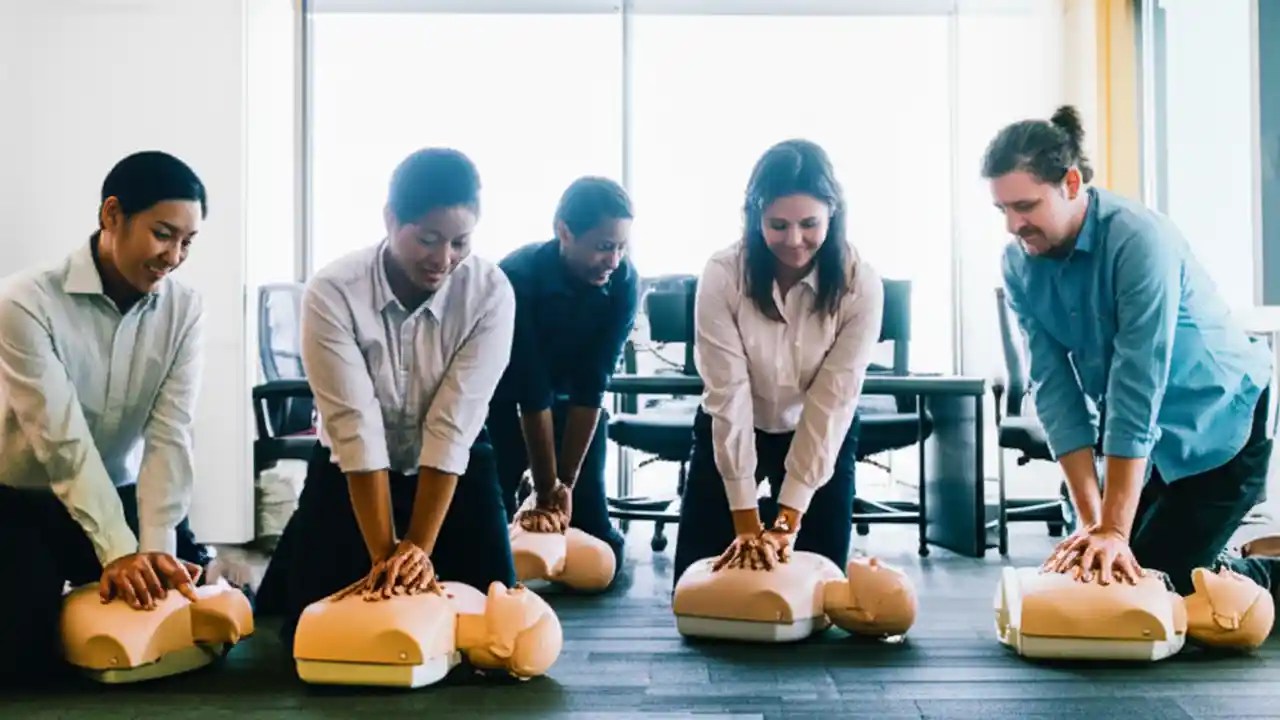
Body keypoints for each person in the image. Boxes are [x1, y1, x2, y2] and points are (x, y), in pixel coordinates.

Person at [987, 105, 1278, 596]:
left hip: (1219, 424)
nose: (1014, 226)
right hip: (1148, 444)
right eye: (1003, 210)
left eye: (1027, 206)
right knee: (1102, 575)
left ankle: (1257, 569)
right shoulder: (1019, 265)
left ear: (1072, 184)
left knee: (1160, 585)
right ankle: (1210, 551)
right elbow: (1055, 392)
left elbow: (1136, 384)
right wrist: (1091, 522)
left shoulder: (1139, 239)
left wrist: (1114, 531)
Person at [255, 148, 517, 642]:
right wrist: (385, 561)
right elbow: (356, 428)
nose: (444, 259)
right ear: (391, 220)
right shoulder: (334, 291)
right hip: (351, 470)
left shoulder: (490, 293)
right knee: (308, 630)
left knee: (489, 629)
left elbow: (452, 424)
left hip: (453, 467)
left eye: (460, 242)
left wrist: (416, 548)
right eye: (428, 239)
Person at [0, 151, 212, 684]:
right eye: (163, 233)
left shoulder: (186, 308)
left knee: (196, 628)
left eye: (187, 242)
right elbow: (61, 441)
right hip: (20, 500)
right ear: (112, 215)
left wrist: (155, 549)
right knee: (21, 657)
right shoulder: (24, 301)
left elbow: (170, 434)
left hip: (120, 493)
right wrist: (120, 553)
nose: (174, 256)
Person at [670, 139, 884, 586]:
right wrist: (747, 525)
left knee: (819, 591)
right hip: (731, 428)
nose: (794, 240)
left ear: (833, 214)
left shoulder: (859, 283)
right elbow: (728, 395)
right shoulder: (723, 274)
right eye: (777, 225)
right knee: (697, 586)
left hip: (817, 432)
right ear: (755, 218)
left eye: (809, 224)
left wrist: (786, 521)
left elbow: (834, 399)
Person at [487, 176, 636, 570]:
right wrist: (544, 485)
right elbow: (530, 388)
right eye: (604, 247)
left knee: (602, 544)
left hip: (576, 410)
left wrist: (562, 485)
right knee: (487, 543)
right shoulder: (516, 277)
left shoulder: (624, 279)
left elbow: (594, 382)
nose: (614, 261)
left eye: (622, 247)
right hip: (505, 405)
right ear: (564, 233)